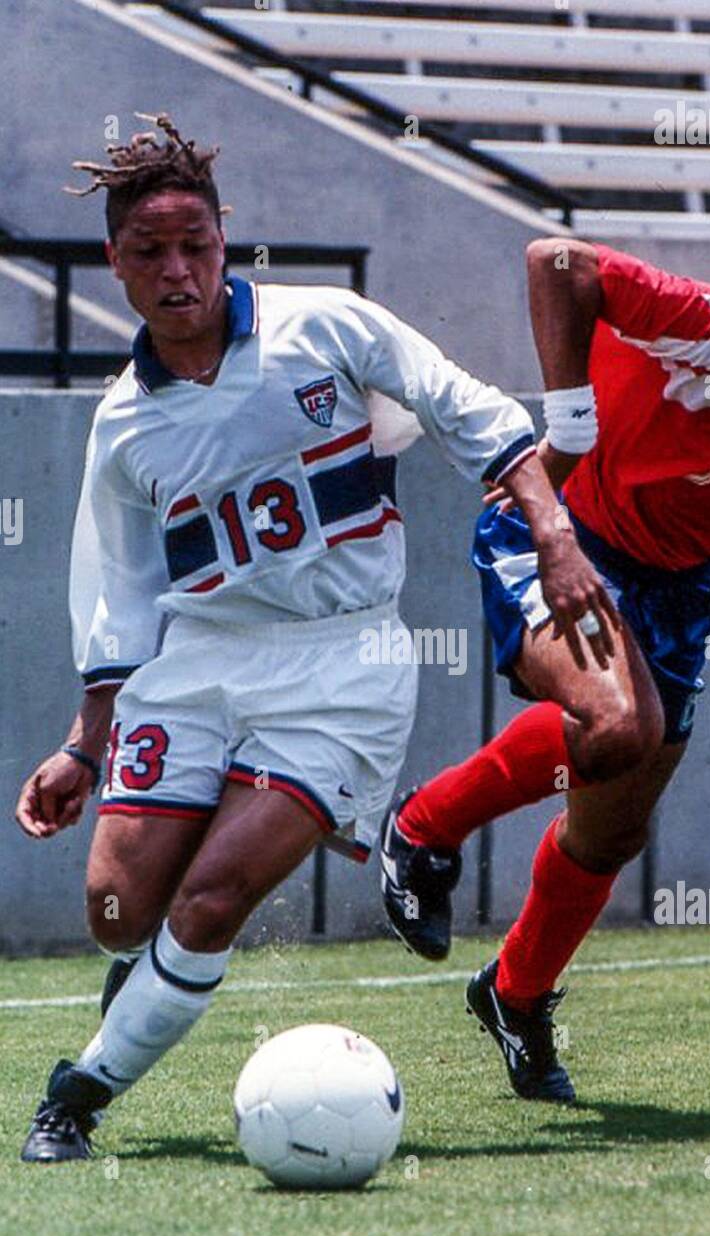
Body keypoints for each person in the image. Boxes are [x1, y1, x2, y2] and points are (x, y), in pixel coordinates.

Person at [14, 112, 566, 1162]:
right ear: (114, 264)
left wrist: (550, 529)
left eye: (196, 245)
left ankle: (76, 1094)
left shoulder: (328, 328)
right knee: (118, 908)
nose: (177, 271)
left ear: (225, 241)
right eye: (150, 253)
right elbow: (122, 594)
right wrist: (84, 744)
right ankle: (140, 982)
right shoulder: (125, 423)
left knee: (213, 896)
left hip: (340, 666)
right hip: (200, 663)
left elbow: (463, 406)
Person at [382, 231, 710, 1102]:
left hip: (674, 587)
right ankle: (421, 830)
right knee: (621, 723)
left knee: (611, 830)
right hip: (561, 535)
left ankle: (512, 995)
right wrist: (570, 425)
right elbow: (556, 262)